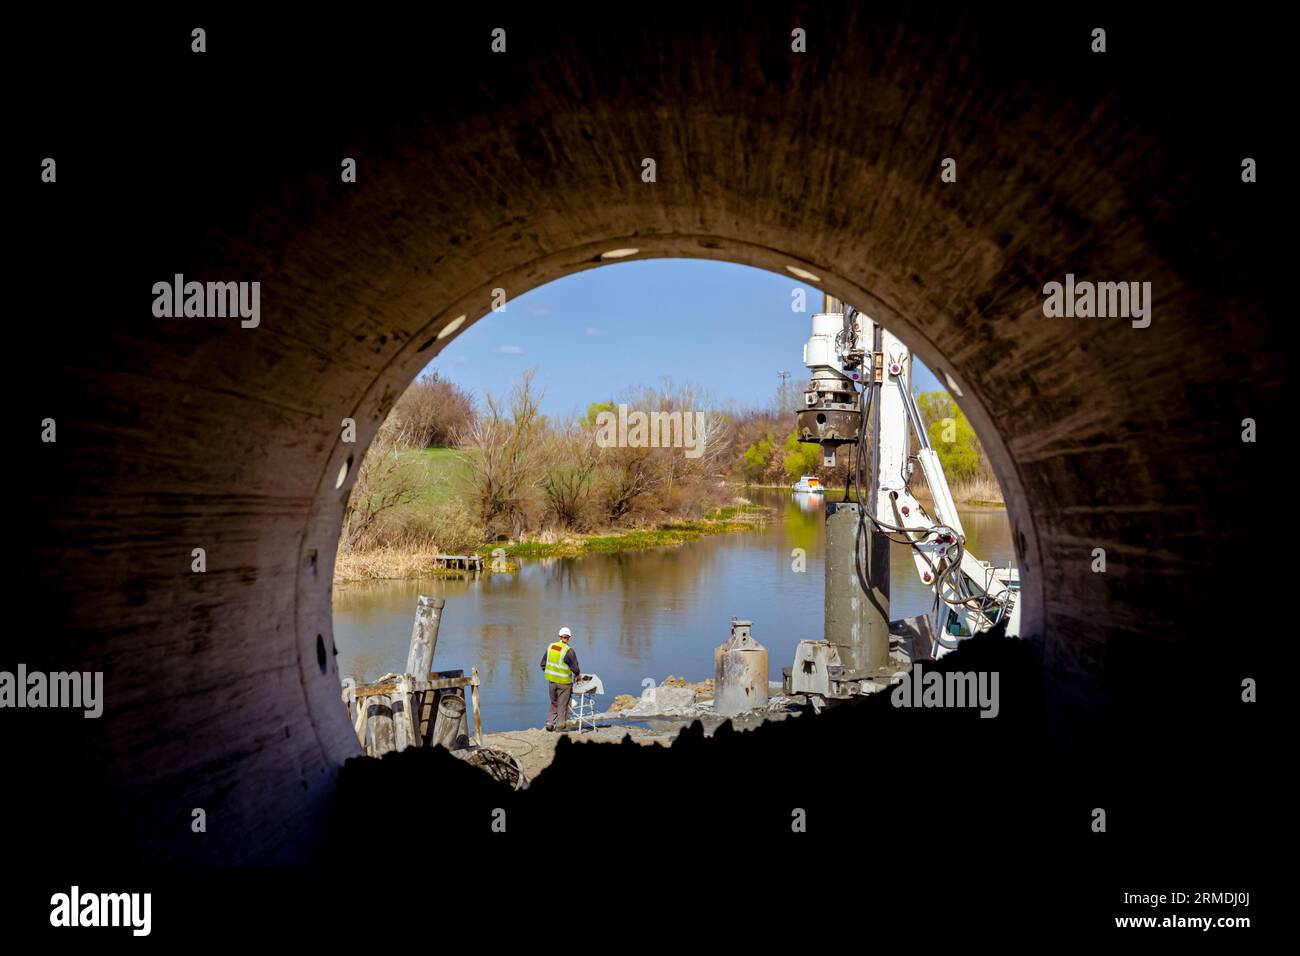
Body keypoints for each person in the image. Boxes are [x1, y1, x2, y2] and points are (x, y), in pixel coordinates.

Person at [540, 626, 583, 732]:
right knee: (563, 704)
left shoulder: (551, 647)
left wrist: (551, 673)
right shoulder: (568, 650)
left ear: (559, 636)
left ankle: (549, 724)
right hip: (564, 683)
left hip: (552, 681)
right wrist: (578, 675)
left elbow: (543, 664)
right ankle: (560, 726)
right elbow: (575, 668)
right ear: (569, 637)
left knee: (554, 702)